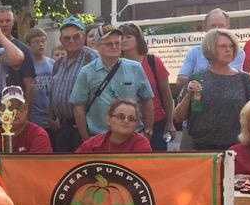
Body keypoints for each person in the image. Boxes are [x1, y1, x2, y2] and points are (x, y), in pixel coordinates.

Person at [175, 29, 250, 151]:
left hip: (237, 148)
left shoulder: (244, 79)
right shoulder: (197, 77)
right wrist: (189, 94)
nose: (228, 49)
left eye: (231, 46)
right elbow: (178, 117)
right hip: (202, 148)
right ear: (210, 49)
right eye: (223, 46)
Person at [70, 25, 154, 144]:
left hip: (132, 138)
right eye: (109, 44)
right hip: (99, 139)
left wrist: (148, 131)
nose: (114, 47)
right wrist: (86, 139)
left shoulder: (135, 68)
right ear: (97, 46)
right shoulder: (86, 72)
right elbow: (78, 107)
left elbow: (148, 100)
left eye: (117, 43)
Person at [119, 22, 175, 151]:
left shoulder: (153, 61)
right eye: (121, 37)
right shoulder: (116, 64)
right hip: (126, 123)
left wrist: (170, 122)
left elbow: (167, 95)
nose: (124, 40)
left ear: (138, 39)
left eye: (128, 37)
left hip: (156, 123)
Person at [48, 16, 99, 152]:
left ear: (83, 37)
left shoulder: (92, 58)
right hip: (63, 127)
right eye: (67, 38)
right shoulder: (58, 63)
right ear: (61, 40)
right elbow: (53, 92)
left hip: (85, 127)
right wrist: (52, 117)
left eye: (76, 36)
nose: (71, 40)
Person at [178, 8, 246, 93]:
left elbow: (232, 80)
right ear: (205, 28)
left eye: (221, 26)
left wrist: (199, 80)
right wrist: (193, 83)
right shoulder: (194, 52)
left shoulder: (237, 52)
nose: (217, 30)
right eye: (213, 26)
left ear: (228, 27)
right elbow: (181, 79)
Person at [0, 86, 52, 154]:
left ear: (26, 109)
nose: (15, 112)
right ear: (0, 111)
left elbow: (36, 164)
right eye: (10, 108)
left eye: (19, 107)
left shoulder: (38, 135)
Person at [75, 99, 152, 154]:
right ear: (108, 120)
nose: (126, 121)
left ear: (136, 124)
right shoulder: (93, 144)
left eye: (131, 119)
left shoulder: (141, 144)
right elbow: (74, 163)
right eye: (121, 117)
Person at [0, 6, 36, 95]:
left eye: (8, 21)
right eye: (0, 21)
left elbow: (29, 83)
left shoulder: (23, 49)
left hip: (15, 104)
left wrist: (26, 106)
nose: (4, 24)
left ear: (13, 23)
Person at [25, 27, 56, 137]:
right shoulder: (26, 66)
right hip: (34, 117)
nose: (41, 44)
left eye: (43, 41)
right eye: (36, 42)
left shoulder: (53, 64)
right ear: (29, 45)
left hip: (50, 116)